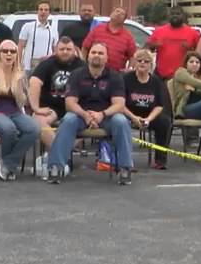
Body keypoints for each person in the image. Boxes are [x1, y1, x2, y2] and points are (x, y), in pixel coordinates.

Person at [45, 42, 134, 185]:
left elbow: (119, 104)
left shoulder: (115, 76)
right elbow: (70, 103)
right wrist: (86, 115)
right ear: (88, 56)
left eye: (100, 53)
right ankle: (56, 167)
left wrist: (101, 114)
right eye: (93, 53)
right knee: (68, 119)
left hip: (107, 116)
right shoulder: (76, 75)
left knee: (121, 121)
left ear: (107, 58)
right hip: (81, 115)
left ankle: (125, 168)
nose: (96, 56)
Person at [0, 39, 40, 181]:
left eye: (12, 51)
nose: (9, 54)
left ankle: (8, 164)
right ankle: (8, 166)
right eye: (5, 51)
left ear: (16, 55)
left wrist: (18, 84)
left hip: (14, 112)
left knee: (34, 129)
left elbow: (22, 102)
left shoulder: (20, 74)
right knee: (8, 128)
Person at [27, 37, 84, 152]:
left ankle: (60, 155)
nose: (65, 52)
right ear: (56, 50)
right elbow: (34, 82)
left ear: (74, 50)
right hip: (51, 108)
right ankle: (61, 153)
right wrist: (36, 108)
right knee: (38, 120)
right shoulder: (47, 64)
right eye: (62, 49)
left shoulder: (82, 66)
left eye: (68, 49)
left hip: (74, 109)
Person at [123, 49, 171, 169]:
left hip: (149, 115)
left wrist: (149, 119)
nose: (142, 63)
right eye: (139, 61)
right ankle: (124, 161)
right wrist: (133, 118)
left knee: (164, 121)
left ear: (151, 65)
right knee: (119, 120)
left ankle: (160, 160)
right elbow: (119, 103)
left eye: (146, 61)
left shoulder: (156, 81)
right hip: (129, 113)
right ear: (134, 63)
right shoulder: (126, 79)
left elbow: (160, 105)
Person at [146, 7, 199, 80]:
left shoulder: (193, 33)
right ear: (168, 16)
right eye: (172, 14)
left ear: (183, 16)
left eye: (178, 14)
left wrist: (190, 49)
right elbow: (148, 48)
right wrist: (153, 45)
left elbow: (199, 54)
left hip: (184, 77)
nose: (175, 16)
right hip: (161, 76)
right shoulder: (158, 31)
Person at [17, 0, 59, 74]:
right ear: (37, 11)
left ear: (49, 12)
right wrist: (18, 64)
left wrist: (48, 58)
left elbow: (55, 51)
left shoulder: (53, 30)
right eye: (41, 9)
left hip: (46, 68)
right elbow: (20, 46)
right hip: (27, 68)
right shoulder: (28, 26)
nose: (43, 12)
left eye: (46, 10)